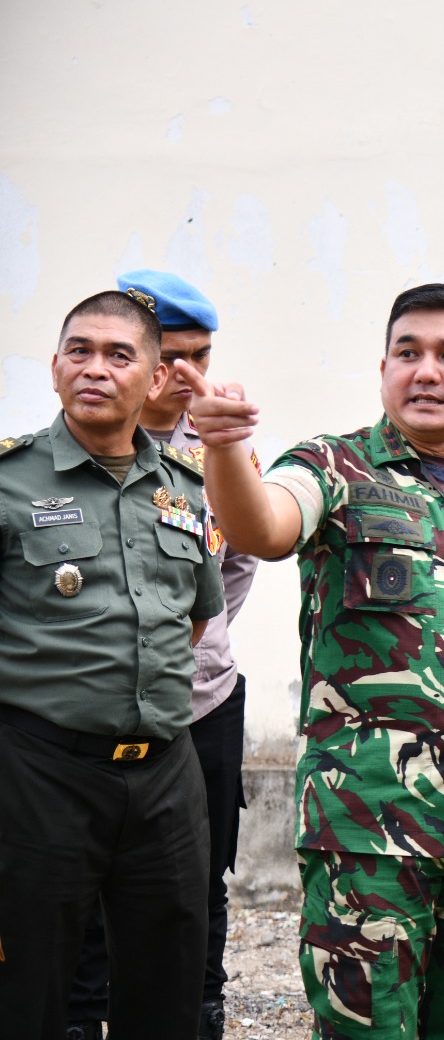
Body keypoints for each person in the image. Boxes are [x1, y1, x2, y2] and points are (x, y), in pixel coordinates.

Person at [178, 283, 444, 1038]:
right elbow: (263, 525)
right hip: (367, 835)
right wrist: (226, 449)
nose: (425, 371)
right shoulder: (333, 468)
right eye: (408, 353)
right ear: (384, 367)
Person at [0, 289, 223, 1039]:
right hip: (38, 772)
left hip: (164, 777)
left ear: (156, 378)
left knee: (168, 986)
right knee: (25, 991)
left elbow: (193, 619)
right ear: (56, 368)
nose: (95, 368)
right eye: (79, 351)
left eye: (119, 355)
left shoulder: (186, 487)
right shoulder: (10, 484)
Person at [60, 271, 262, 1040]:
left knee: (196, 879)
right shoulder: (70, 451)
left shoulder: (215, 449)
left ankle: (200, 1009)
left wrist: (182, 648)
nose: (188, 379)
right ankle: (81, 1016)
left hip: (198, 702)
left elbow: (236, 562)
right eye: (172, 358)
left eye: (201, 357)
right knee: (75, 880)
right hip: (80, 714)